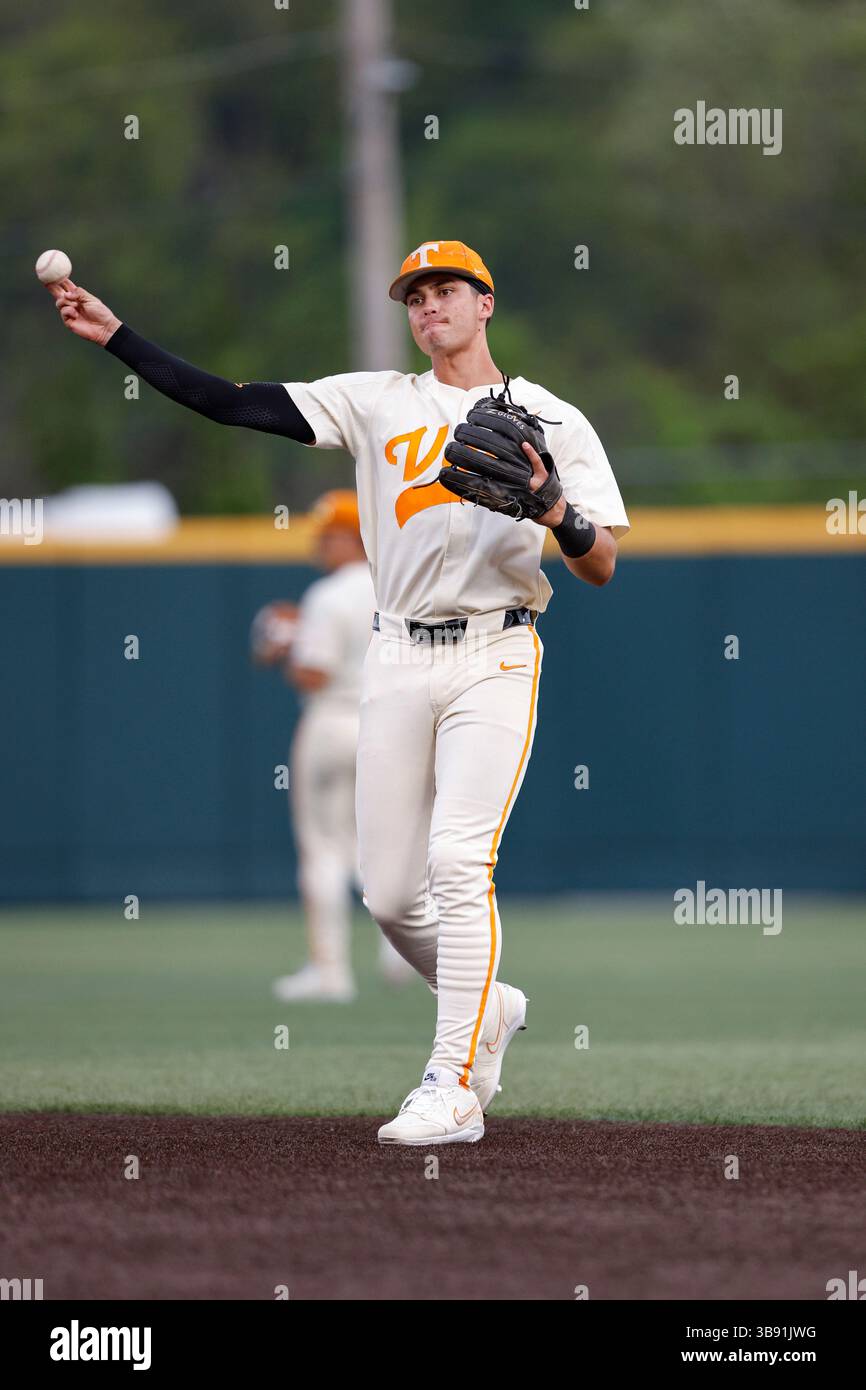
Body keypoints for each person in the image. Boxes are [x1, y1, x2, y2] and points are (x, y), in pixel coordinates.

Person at [46, 238, 629, 1146]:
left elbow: (601, 566)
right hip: (396, 655)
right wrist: (119, 335)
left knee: (456, 864)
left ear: (486, 305)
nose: (428, 305)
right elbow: (232, 403)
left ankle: (451, 1086)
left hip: (496, 654)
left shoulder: (551, 418)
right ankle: (492, 1004)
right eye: (415, 295)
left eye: (447, 290)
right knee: (391, 896)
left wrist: (559, 511)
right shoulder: (375, 400)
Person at [250, 490, 413, 1001]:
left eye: (331, 536)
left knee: (322, 848)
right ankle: (402, 948)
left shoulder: (327, 595)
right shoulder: (401, 585)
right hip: (389, 724)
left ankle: (330, 972)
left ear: (354, 537)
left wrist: (283, 647)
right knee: (383, 845)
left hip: (332, 721)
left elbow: (313, 672)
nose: (322, 545)